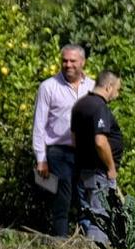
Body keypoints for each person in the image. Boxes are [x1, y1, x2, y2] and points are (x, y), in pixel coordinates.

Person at [32, 43, 92, 237]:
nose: (68, 65)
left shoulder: (91, 87)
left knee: (87, 198)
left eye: (72, 61)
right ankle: (60, 245)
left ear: (82, 62)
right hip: (58, 151)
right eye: (64, 61)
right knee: (62, 200)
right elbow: (39, 125)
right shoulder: (48, 87)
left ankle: (88, 243)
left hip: (85, 152)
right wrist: (41, 158)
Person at [70, 68, 124, 243]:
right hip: (98, 172)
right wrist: (111, 168)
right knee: (100, 217)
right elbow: (100, 141)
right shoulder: (99, 107)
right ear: (108, 86)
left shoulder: (80, 104)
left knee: (87, 214)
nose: (117, 93)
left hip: (82, 169)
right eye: (117, 89)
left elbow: (74, 138)